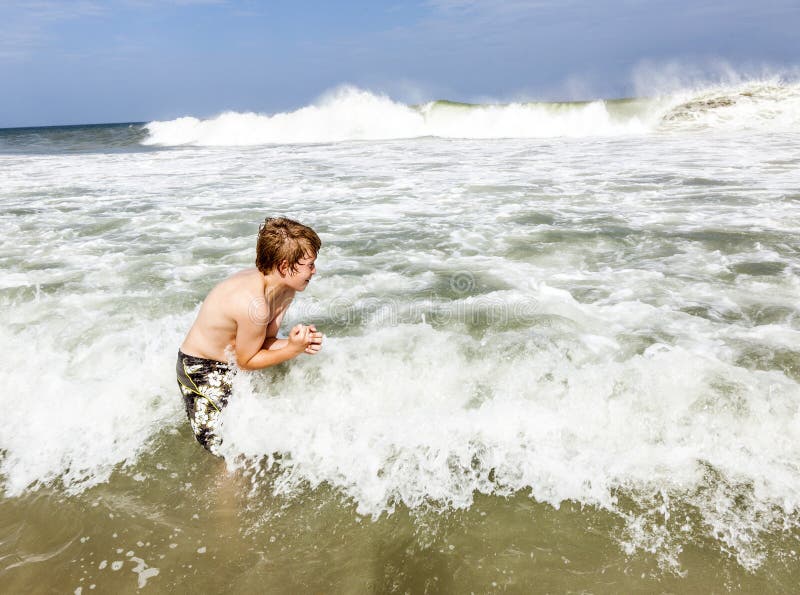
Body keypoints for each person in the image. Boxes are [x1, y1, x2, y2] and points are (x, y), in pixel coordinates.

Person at [176, 216, 323, 455]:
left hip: (231, 361)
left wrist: (297, 342)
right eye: (310, 265)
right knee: (231, 450)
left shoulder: (285, 290)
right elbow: (246, 362)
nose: (314, 271)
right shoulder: (252, 303)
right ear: (285, 267)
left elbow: (262, 342)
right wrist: (291, 350)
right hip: (200, 370)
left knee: (257, 437)